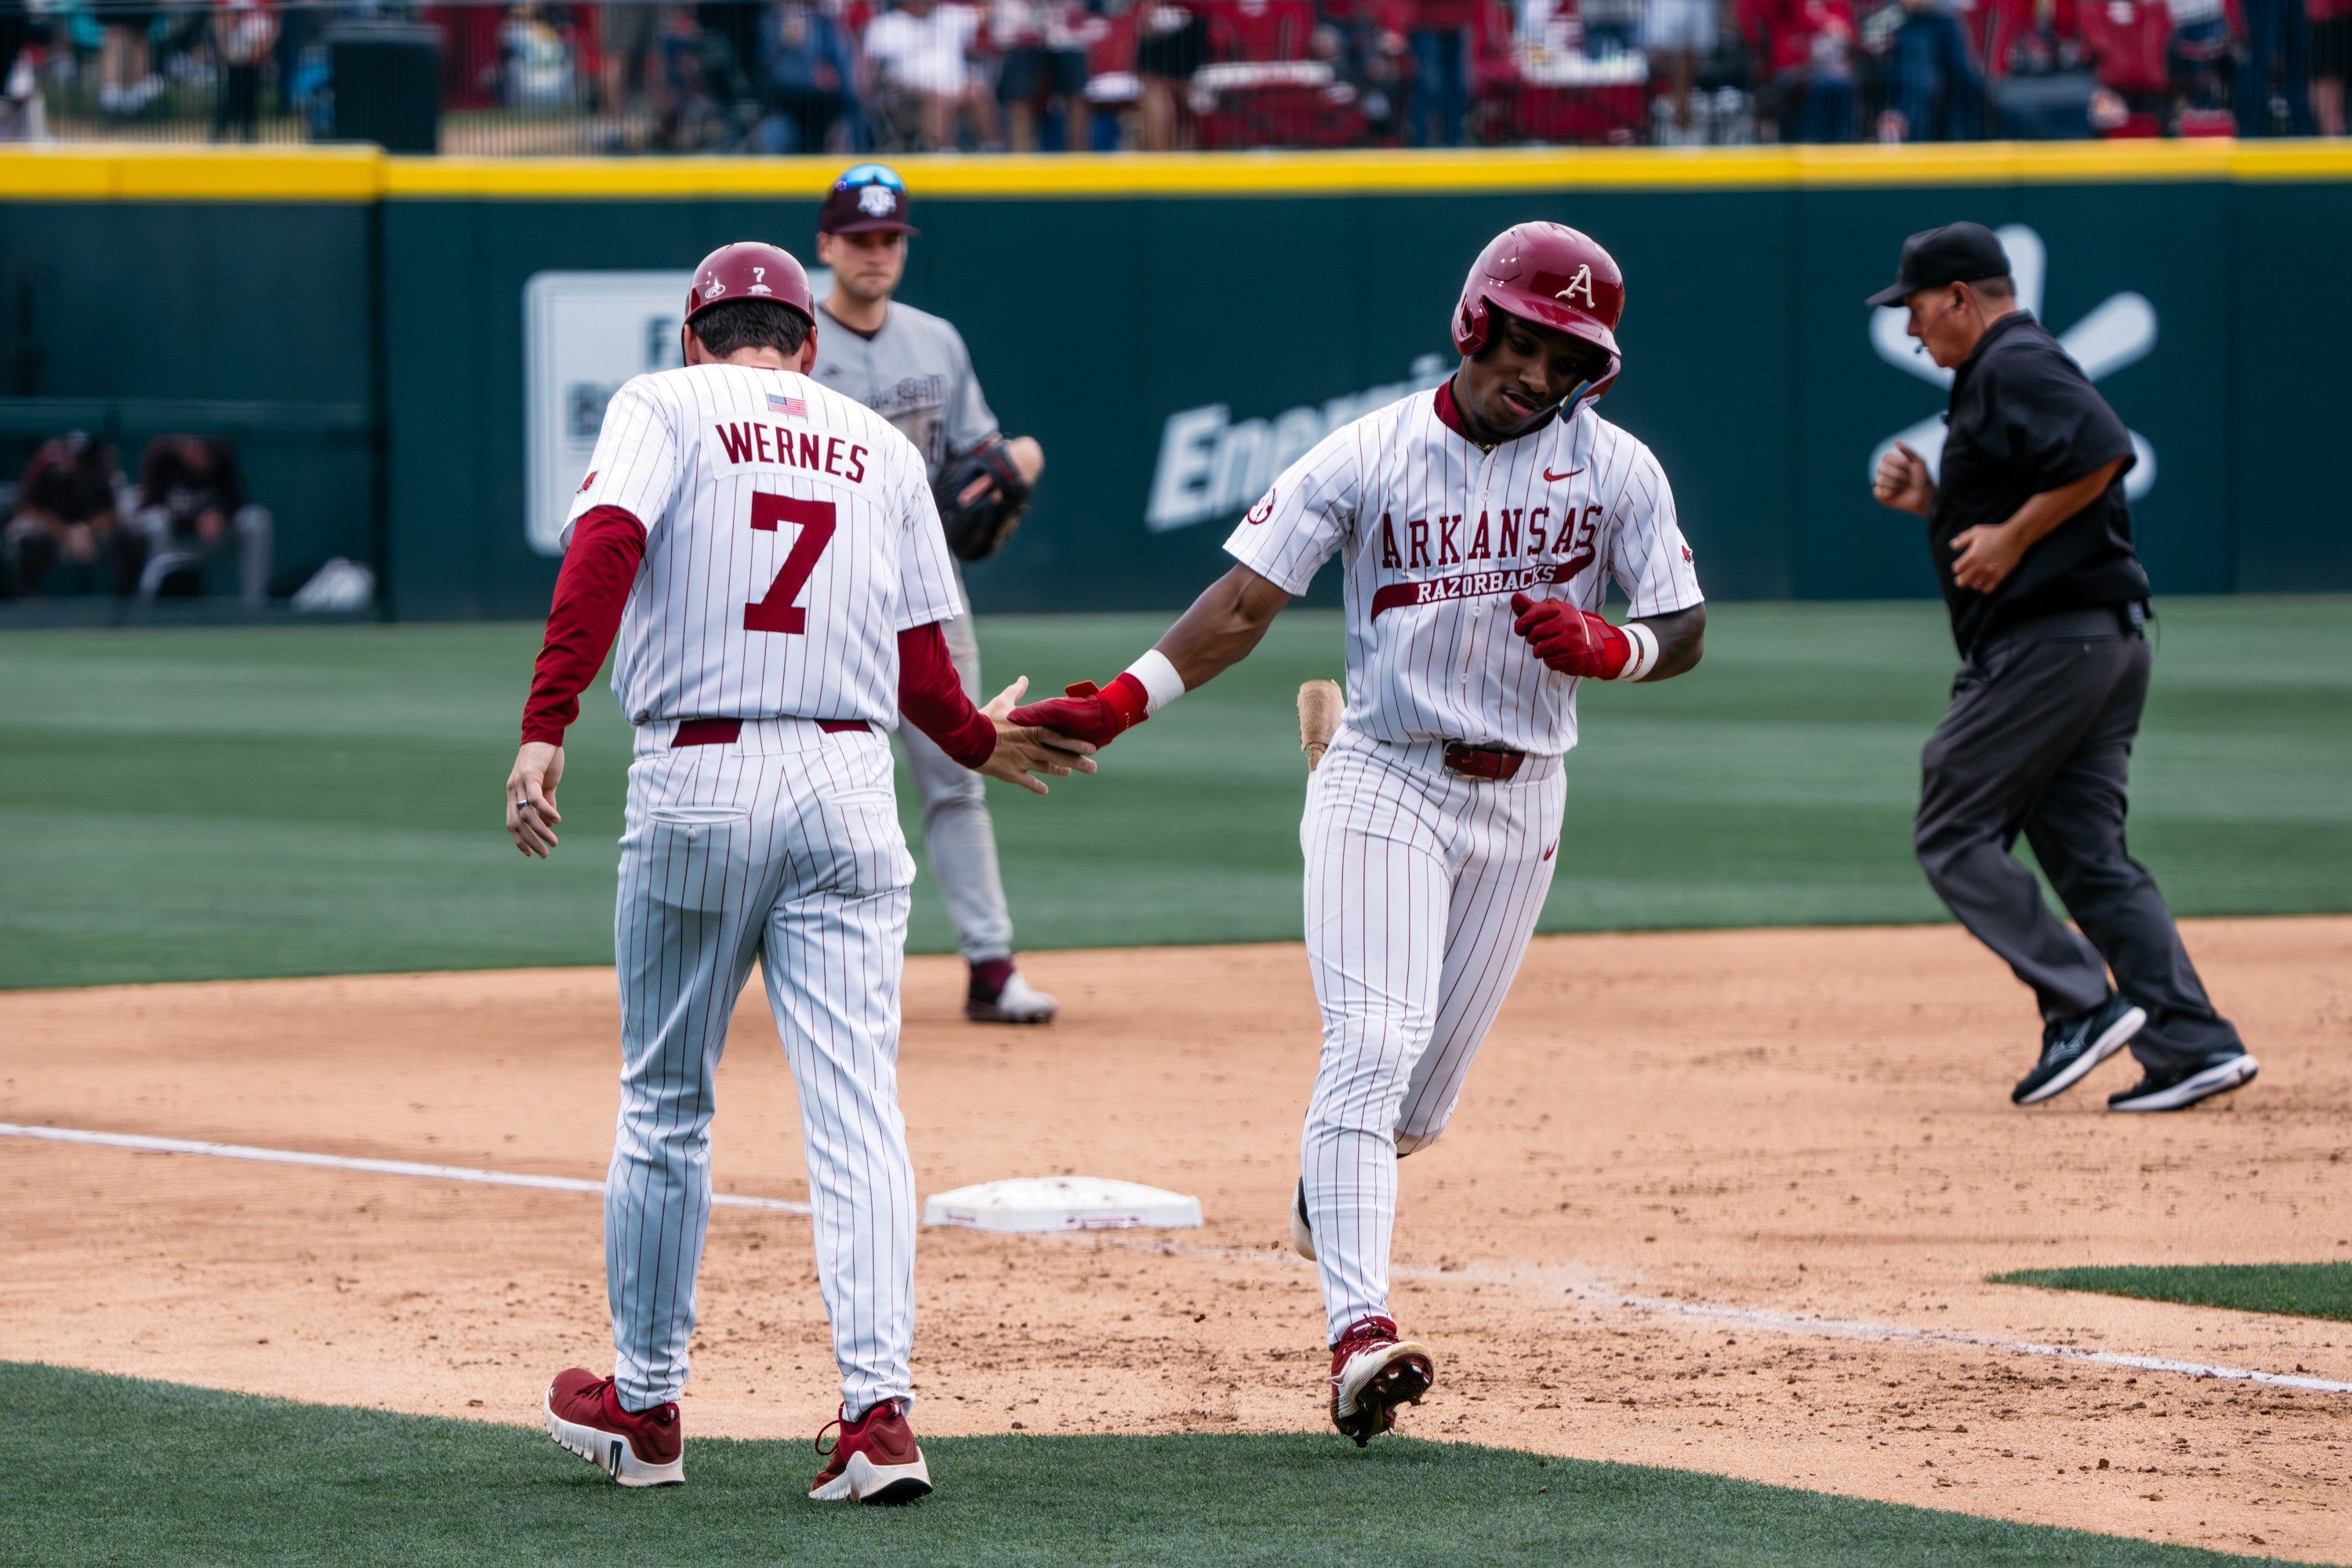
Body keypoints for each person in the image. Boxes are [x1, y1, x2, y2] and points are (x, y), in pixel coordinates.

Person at [1009, 223, 1706, 1443]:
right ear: (1475, 323)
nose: (1538, 376)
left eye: (1567, 358)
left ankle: (1326, 1181)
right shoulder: (1371, 454)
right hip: (1385, 772)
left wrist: (1619, 648)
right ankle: (1359, 1336)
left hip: (1526, 797)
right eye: (1525, 343)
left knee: (1416, 1110)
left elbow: (1683, 624)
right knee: (1373, 1044)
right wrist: (1120, 703)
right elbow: (1241, 604)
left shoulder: (1619, 471)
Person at [507, 241, 1093, 1501]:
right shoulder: (878, 446)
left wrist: (546, 724)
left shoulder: (662, 405)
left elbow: (605, 548)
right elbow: (926, 663)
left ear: (691, 338)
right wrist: (982, 743)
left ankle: (648, 1409)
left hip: (698, 779)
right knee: (859, 1114)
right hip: (848, 788)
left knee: (668, 1104)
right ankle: (879, 1418)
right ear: (809, 341)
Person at [1867, 222, 2256, 1115]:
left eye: (1918, 310)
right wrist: (1940, 505)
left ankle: (2082, 1001)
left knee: (1951, 820)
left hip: (2052, 646)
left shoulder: (2013, 359)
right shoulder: (1999, 370)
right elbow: (2031, 494)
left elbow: (2102, 445)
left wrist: (2010, 534)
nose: (1911, 331)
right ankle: (2192, 1042)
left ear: (1961, 295)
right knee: (2089, 857)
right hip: (2101, 643)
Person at [809, 163, 1060, 1025]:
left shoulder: (936, 340)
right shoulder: (792, 337)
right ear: (826, 245)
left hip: (926, 588)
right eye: (859, 238)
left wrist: (1012, 463)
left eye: (889, 239)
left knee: (961, 772)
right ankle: (824, 966)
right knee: (832, 780)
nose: (877, 253)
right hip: (824, 594)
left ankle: (991, 968)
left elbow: (983, 452)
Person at [129, 434, 273, 605]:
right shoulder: (159, 453)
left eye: (205, 448)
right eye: (194, 448)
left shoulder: (221, 453)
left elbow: (237, 500)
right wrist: (193, 521)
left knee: (256, 519)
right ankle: (147, 604)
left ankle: (255, 605)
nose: (200, 452)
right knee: (156, 522)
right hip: (173, 541)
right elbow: (149, 505)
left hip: (212, 537)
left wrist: (221, 517)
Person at [4, 432, 140, 598]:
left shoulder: (101, 466)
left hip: (91, 534)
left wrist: (86, 530)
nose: (76, 461)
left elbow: (112, 512)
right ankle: (29, 602)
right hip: (53, 531)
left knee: (128, 536)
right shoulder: (48, 463)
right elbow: (32, 508)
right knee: (25, 535)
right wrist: (68, 534)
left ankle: (127, 601)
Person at [862, 0, 996, 149]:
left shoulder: (949, 16)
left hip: (957, 89)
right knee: (938, 99)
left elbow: (986, 12)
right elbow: (876, 72)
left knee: (978, 94)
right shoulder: (885, 25)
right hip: (908, 95)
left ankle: (992, 153)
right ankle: (942, 157)